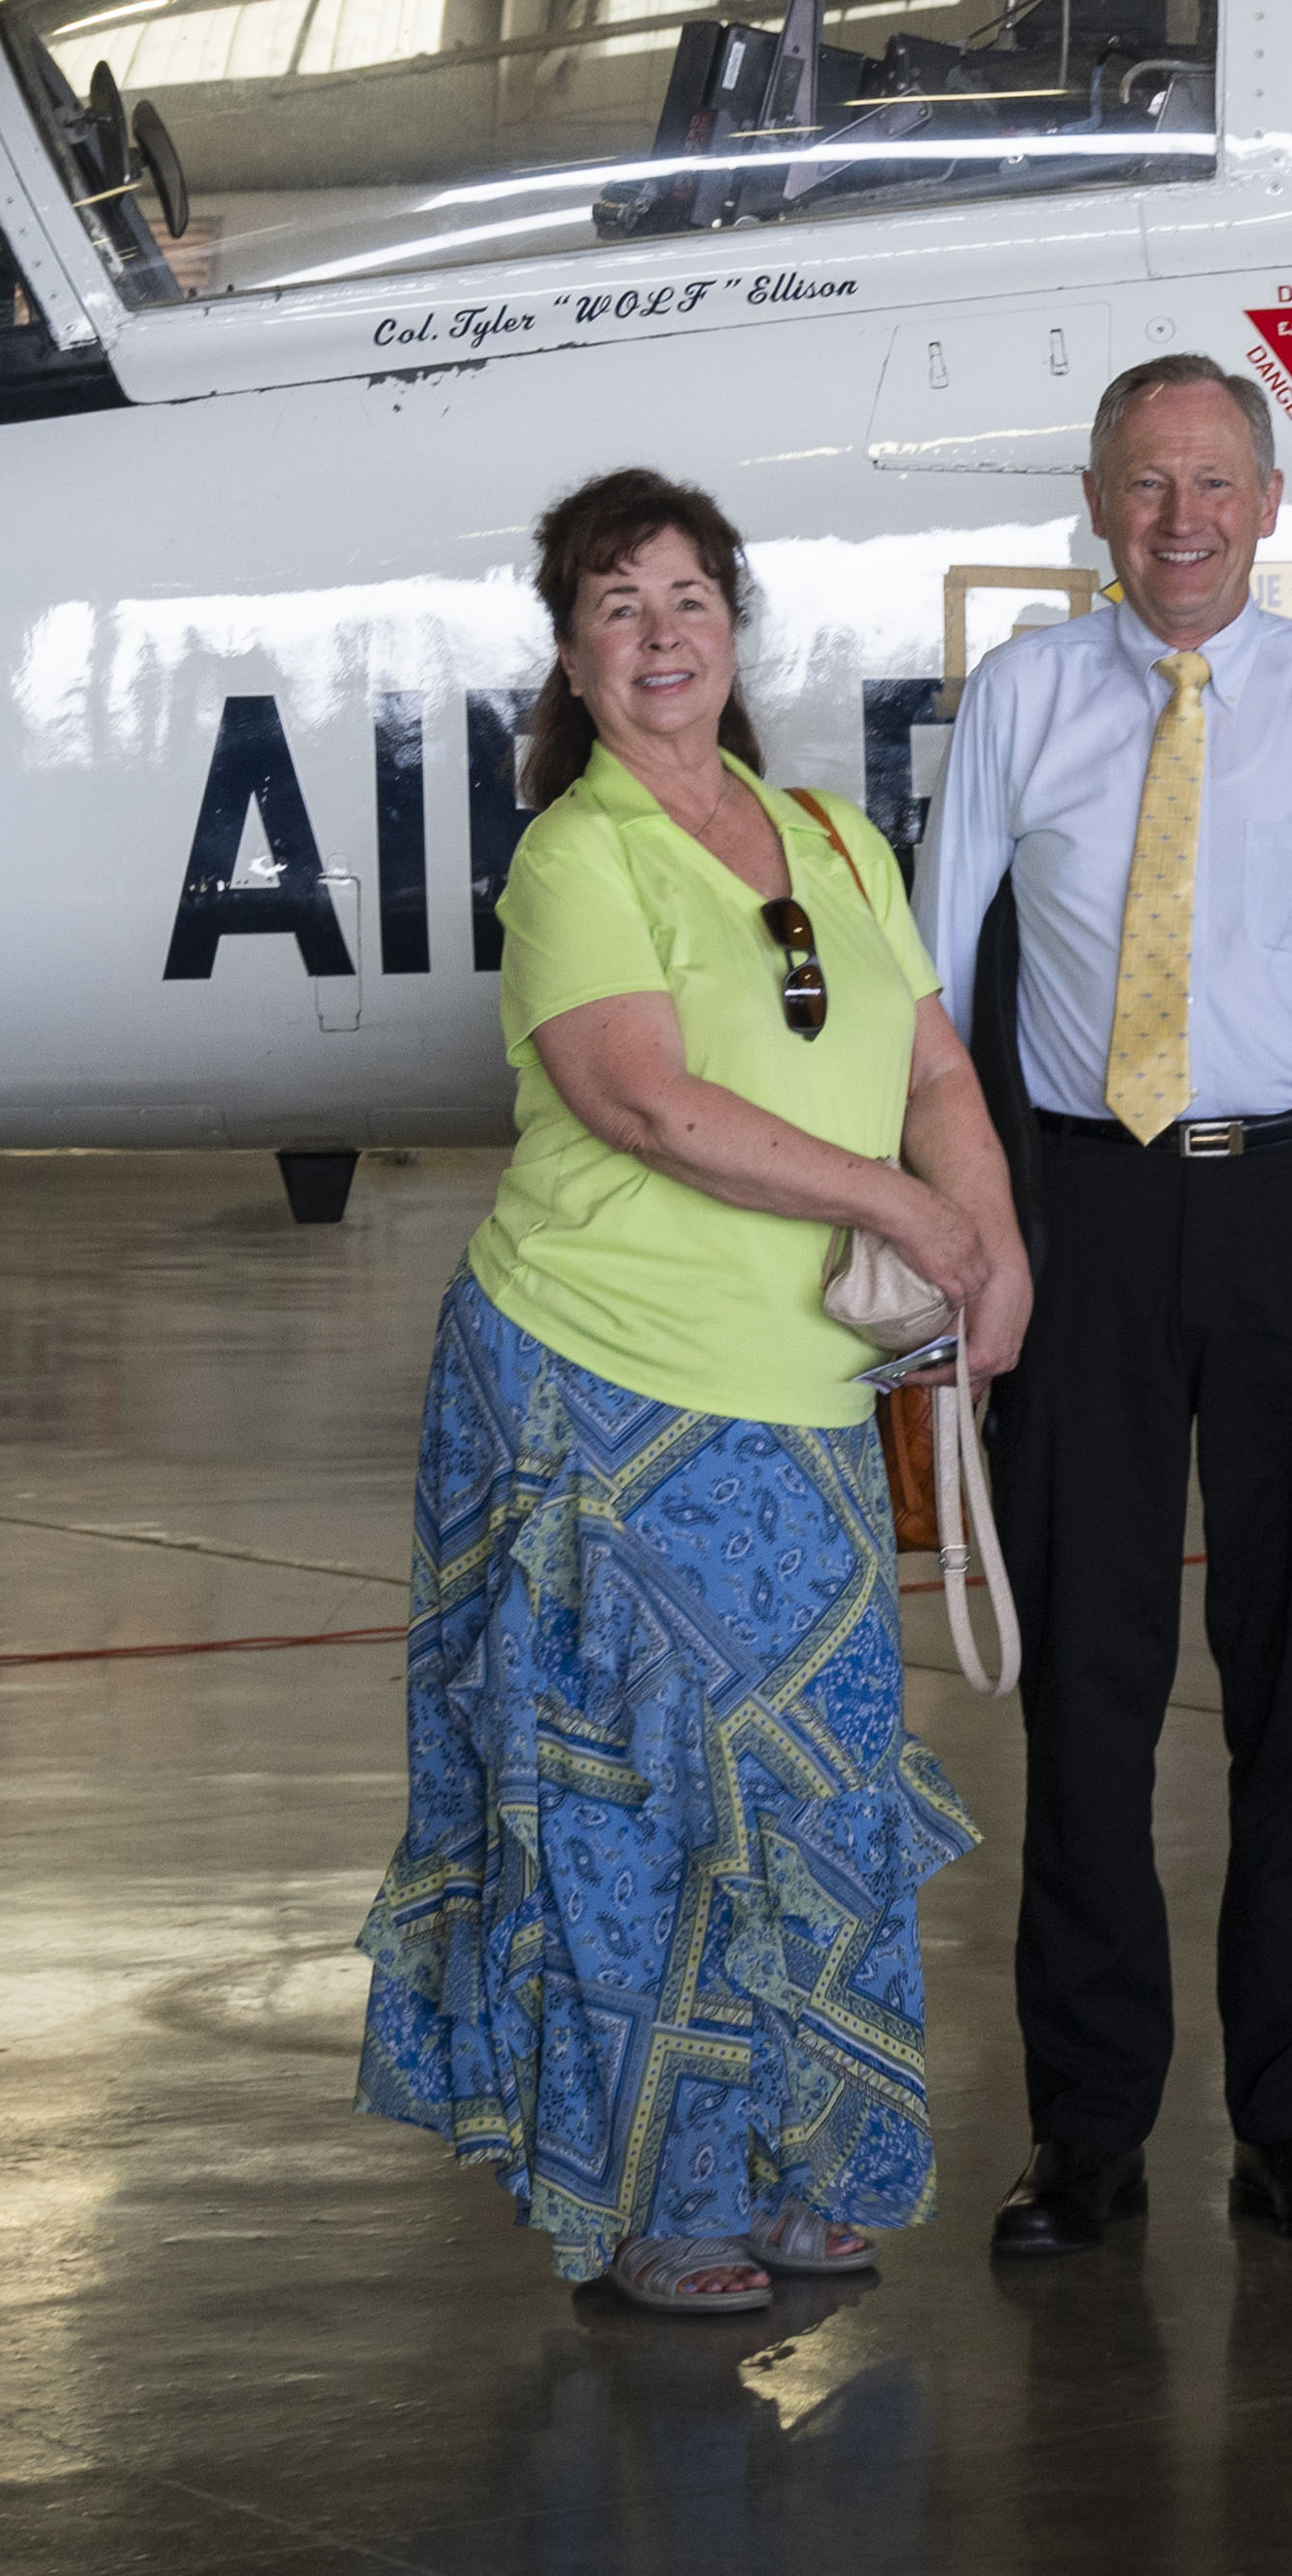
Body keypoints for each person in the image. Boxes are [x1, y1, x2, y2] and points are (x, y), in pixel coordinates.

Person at [356, 468, 1018, 2316]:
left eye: (689, 599)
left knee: (810, 1798)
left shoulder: (827, 836)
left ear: (737, 627)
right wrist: (898, 1205)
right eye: (618, 605)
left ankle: (806, 2162)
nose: (661, 636)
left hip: (798, 1398)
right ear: (573, 649)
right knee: (628, 1807)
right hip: (594, 1389)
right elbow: (645, 1103)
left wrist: (994, 1242)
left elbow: (933, 1071)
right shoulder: (576, 855)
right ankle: (655, 2197)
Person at [919, 354, 1292, 2258]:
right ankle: (1083, 2134)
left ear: (1272, 500)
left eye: (1214, 480)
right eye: (1146, 483)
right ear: (1094, 499)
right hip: (1090, 1210)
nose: (1182, 519)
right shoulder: (1020, 700)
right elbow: (925, 989)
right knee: (1090, 1690)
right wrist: (969, 1238)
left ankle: (1291, 2127)